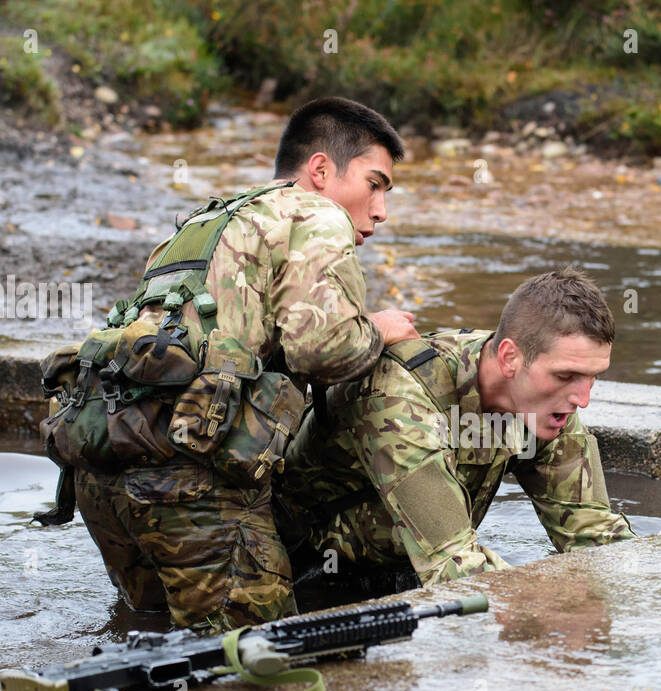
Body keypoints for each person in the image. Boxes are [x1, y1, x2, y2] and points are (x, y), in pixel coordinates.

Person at [72, 96, 419, 632]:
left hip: (101, 475)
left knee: (147, 638)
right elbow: (321, 348)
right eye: (375, 184)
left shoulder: (202, 222)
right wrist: (379, 328)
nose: (381, 211)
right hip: (189, 484)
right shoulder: (316, 215)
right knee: (253, 658)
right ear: (321, 170)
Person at [277, 266, 636, 590]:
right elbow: (459, 572)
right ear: (510, 358)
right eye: (566, 376)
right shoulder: (401, 398)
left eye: (591, 378)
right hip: (308, 568)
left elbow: (594, 534)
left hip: (408, 565)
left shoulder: (542, 397)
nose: (583, 398)